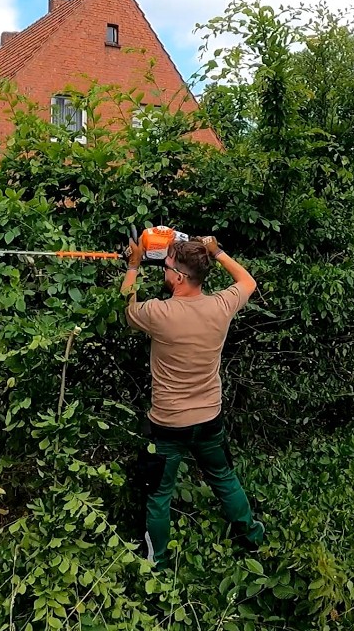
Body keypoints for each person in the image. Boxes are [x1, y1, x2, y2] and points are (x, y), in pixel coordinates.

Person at [120, 234, 265, 565]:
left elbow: (125, 307)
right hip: (210, 416)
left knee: (159, 493)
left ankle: (157, 562)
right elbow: (247, 281)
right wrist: (218, 251)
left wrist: (133, 265)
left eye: (168, 266)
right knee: (224, 477)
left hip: (169, 424)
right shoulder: (221, 305)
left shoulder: (158, 313)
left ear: (179, 277)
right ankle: (252, 537)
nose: (165, 271)